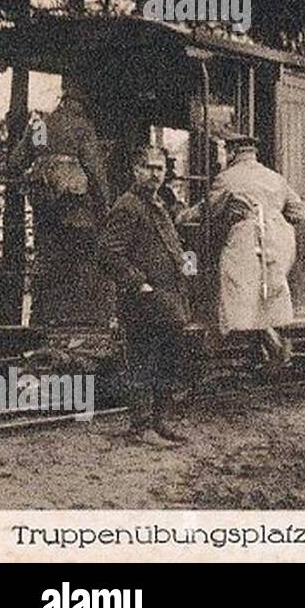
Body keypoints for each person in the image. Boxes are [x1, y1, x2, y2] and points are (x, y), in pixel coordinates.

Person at [181, 132, 305, 369]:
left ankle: (214, 346)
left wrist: (181, 216)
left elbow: (206, 209)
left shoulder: (227, 178)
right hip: (279, 242)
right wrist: (273, 214)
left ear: (232, 153)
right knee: (265, 294)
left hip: (247, 239)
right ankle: (272, 344)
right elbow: (299, 211)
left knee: (233, 289)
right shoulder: (275, 178)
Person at [97, 144, 191, 445]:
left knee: (166, 361)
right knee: (142, 362)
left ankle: (160, 423)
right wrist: (139, 283)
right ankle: (141, 427)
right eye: (149, 168)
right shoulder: (128, 205)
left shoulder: (157, 204)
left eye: (160, 169)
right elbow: (108, 254)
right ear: (136, 171)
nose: (155, 174)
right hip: (143, 301)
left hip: (166, 299)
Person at [10, 79, 112, 326]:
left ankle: (42, 316)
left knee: (47, 260)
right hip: (76, 211)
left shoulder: (42, 126)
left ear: (61, 101)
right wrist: (105, 207)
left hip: (45, 208)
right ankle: (76, 320)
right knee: (80, 263)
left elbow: (16, 162)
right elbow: (94, 171)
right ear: (79, 104)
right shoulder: (81, 128)